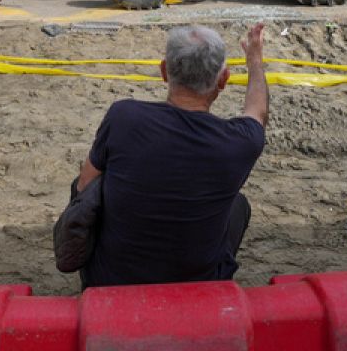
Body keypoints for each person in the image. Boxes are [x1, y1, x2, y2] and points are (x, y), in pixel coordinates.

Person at [72, 24, 268, 287]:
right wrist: (255, 60)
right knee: (238, 205)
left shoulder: (123, 117)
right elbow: (258, 112)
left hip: (109, 281)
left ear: (164, 71)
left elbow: (85, 185)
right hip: (198, 282)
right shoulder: (240, 142)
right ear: (223, 80)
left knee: (89, 186)